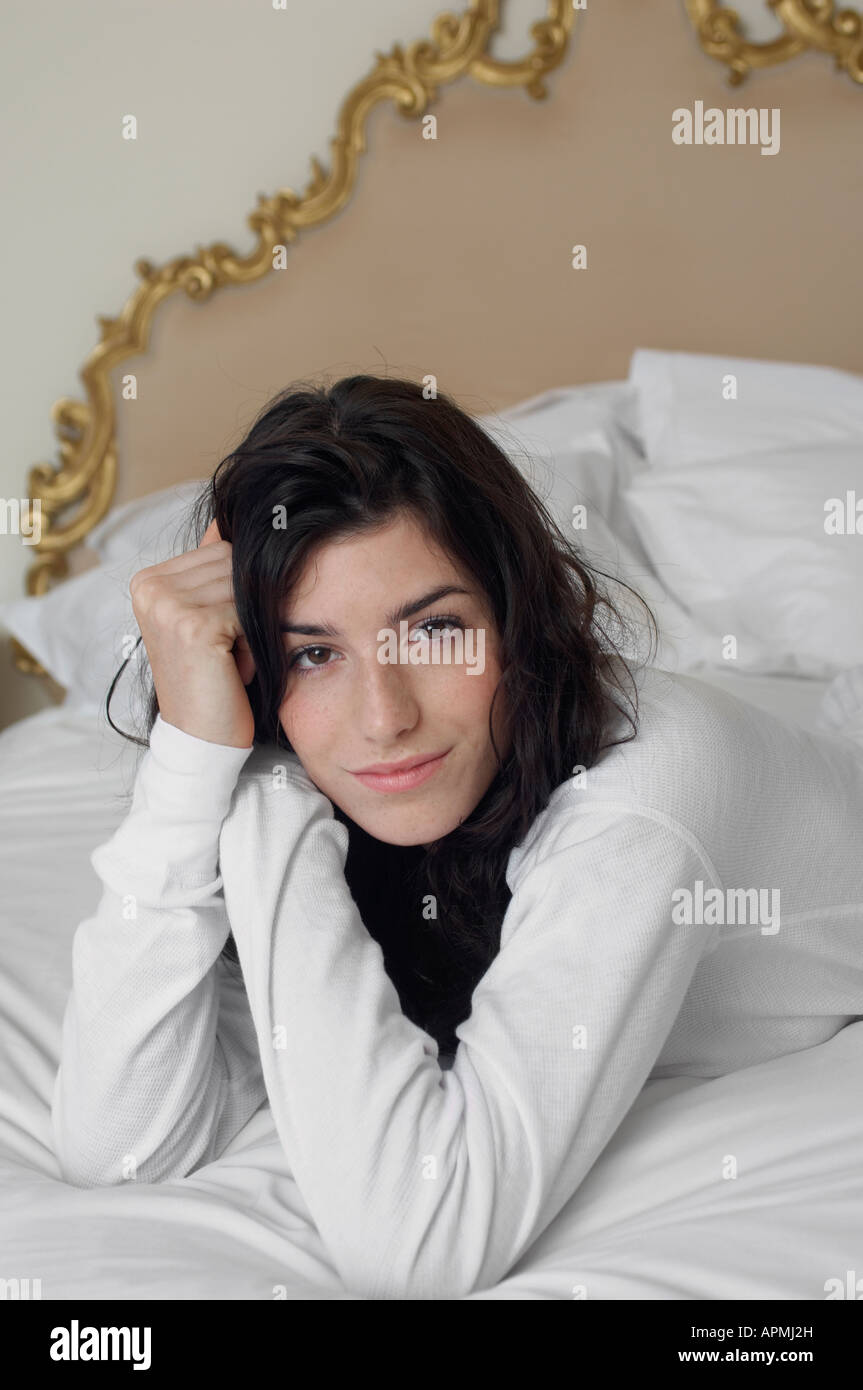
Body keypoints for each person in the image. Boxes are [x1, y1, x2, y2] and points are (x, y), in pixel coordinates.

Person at [51, 374, 863, 1300]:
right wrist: (203, 755)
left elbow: (418, 1246)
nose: (381, 719)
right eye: (312, 652)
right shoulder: (306, 757)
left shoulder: (640, 803)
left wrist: (263, 795)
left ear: (519, 620)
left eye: (432, 632)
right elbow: (115, 1149)